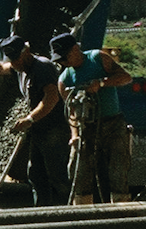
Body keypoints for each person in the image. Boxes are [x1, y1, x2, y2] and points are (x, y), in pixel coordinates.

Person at [0, 35, 71, 205]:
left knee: (58, 175)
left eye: (17, 59)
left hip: (54, 129)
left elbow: (51, 98)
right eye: (12, 60)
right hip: (38, 130)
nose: (14, 64)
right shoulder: (20, 67)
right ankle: (42, 212)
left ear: (26, 52)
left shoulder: (42, 68)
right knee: (36, 174)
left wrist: (30, 119)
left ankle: (69, 210)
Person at [54, 33, 133, 204]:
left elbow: (126, 78)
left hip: (113, 123)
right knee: (79, 170)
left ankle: (121, 208)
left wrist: (102, 83)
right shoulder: (64, 80)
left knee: (118, 169)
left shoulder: (98, 58)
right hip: (86, 128)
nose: (63, 63)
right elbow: (71, 112)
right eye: (60, 60)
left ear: (75, 49)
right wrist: (75, 135)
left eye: (65, 57)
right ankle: (83, 210)